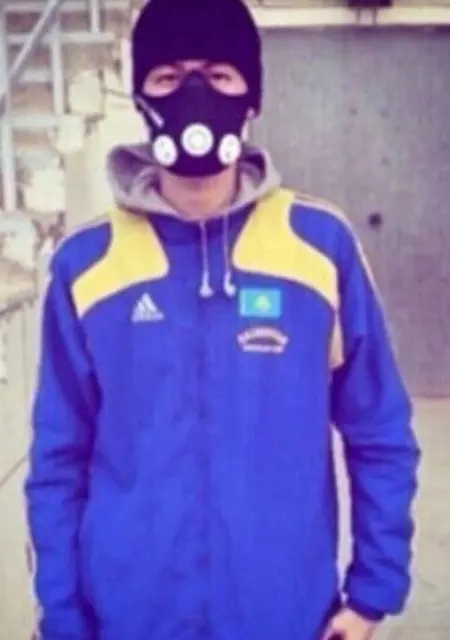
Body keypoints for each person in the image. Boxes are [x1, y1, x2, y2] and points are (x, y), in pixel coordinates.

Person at [25, 0, 420, 638]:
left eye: (218, 74)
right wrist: (63, 613)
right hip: (128, 618)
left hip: (283, 615)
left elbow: (379, 430)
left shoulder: (319, 247)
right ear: (140, 97)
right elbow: (58, 457)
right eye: (168, 76)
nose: (194, 95)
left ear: (252, 97)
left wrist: (372, 592)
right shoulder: (87, 264)